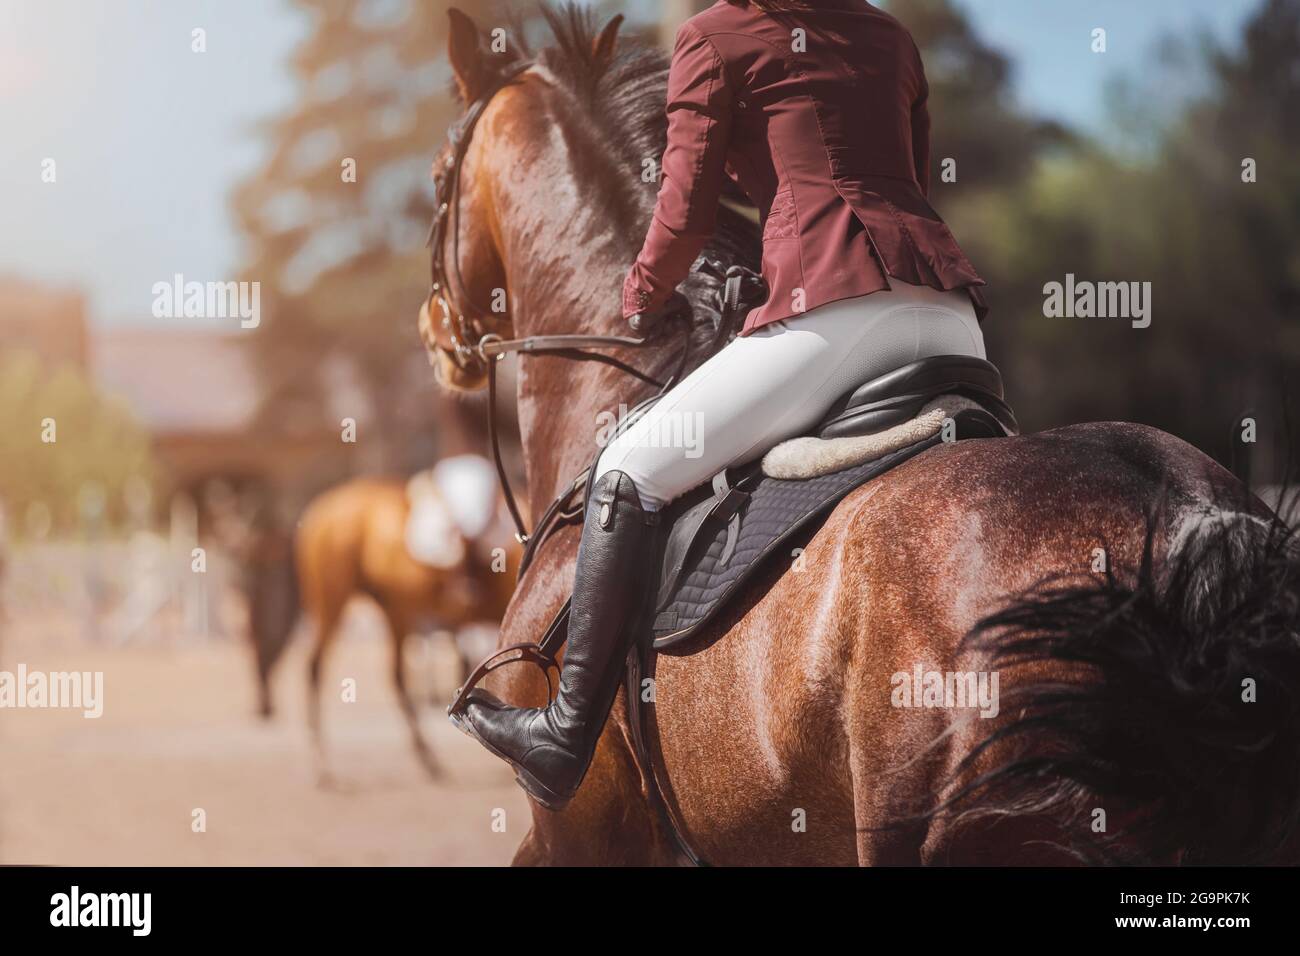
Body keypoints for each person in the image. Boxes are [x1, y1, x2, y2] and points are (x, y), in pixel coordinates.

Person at [452, 0, 989, 810]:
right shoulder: (891, 37)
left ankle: (564, 733)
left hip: (835, 313)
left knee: (629, 469)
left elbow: (685, 211)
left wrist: (640, 296)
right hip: (951, 320)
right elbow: (898, 187)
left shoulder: (716, 35)